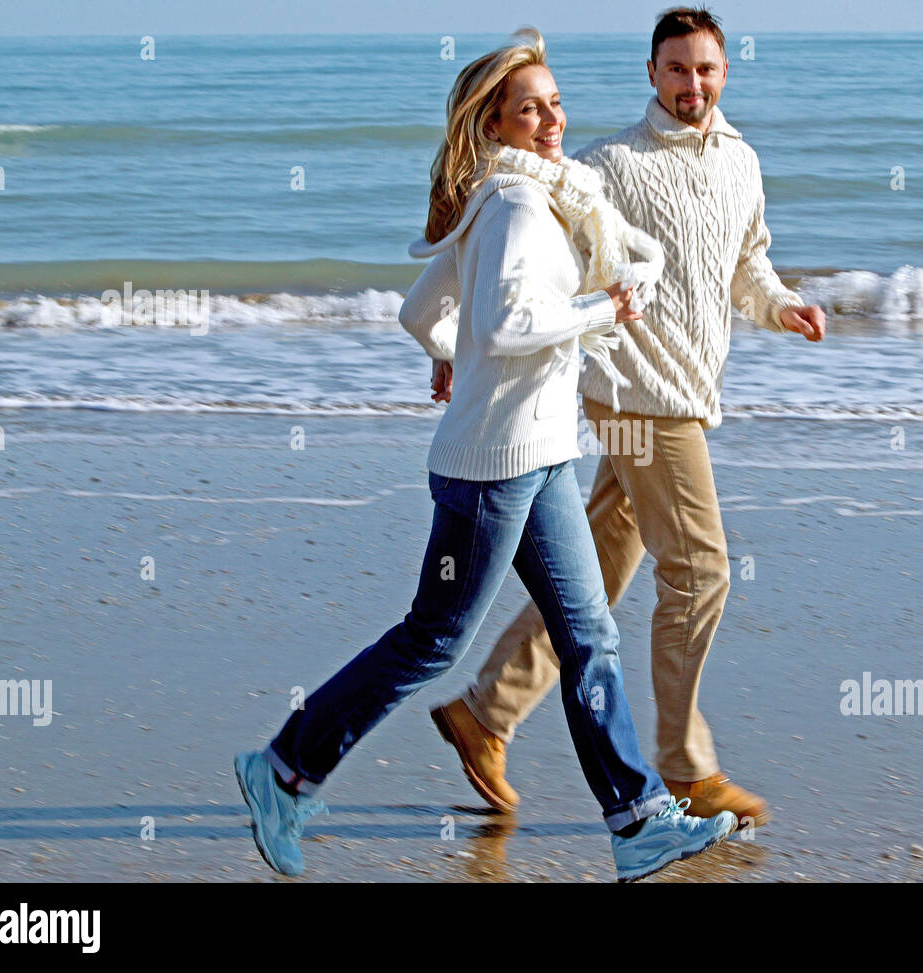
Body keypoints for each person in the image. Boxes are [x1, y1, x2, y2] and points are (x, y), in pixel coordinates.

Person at [233, 26, 736, 883]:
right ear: (495, 124)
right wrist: (600, 314)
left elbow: (422, 311)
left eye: (554, 102)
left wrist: (446, 350)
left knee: (589, 636)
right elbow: (506, 327)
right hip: (490, 468)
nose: (549, 120)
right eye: (528, 109)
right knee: (434, 642)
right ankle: (284, 769)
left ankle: (638, 818)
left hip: (543, 456)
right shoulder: (510, 206)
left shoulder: (520, 197)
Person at [431, 6, 827, 827]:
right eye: (677, 69)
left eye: (706, 69)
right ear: (652, 73)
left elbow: (746, 262)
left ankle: (485, 711)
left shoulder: (742, 162)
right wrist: (448, 337)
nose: (692, 84)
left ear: (725, 73)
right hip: (638, 393)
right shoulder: (607, 165)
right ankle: (685, 765)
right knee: (702, 570)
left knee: (600, 572)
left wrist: (782, 305)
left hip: (686, 386)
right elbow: (520, 249)